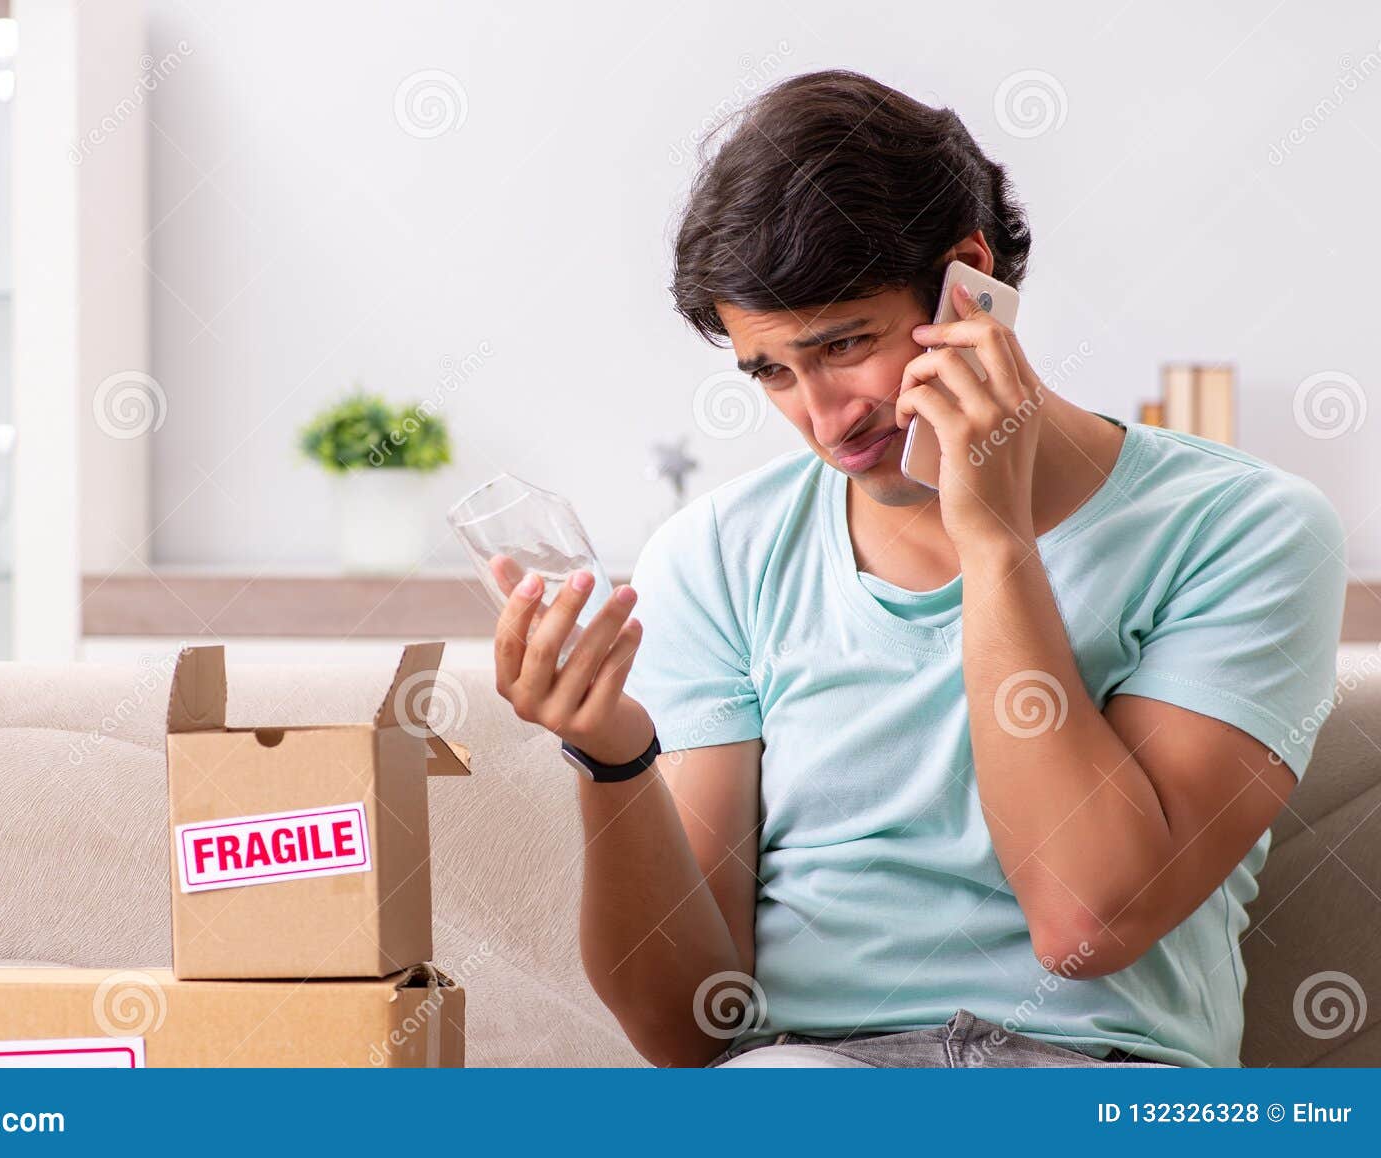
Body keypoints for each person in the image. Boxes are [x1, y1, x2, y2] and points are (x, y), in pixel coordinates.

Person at [487, 70, 1345, 1068]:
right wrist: (611, 756)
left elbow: (1085, 926)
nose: (822, 418)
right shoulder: (717, 557)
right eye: (770, 371)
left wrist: (992, 540)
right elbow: (690, 1033)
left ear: (968, 284)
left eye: (843, 344)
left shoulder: (1245, 530)